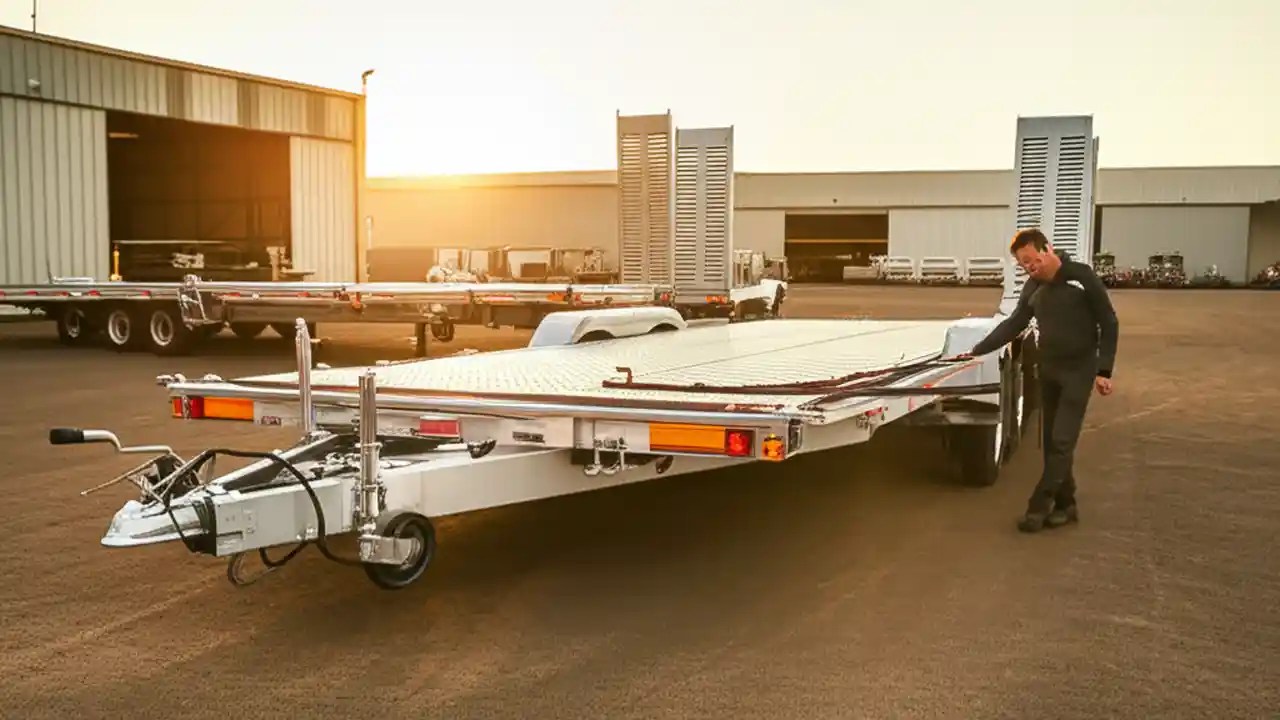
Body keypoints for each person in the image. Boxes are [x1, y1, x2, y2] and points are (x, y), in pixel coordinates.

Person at [954, 228, 1119, 533]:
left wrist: (1104, 370)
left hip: (1079, 371)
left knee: (1061, 441)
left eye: (1032, 260)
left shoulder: (1081, 277)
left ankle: (1038, 506)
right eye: (1023, 265)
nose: (1030, 267)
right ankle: (1067, 505)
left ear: (1047, 249)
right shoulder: (1033, 287)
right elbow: (1015, 322)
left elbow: (1109, 321)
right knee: (1053, 443)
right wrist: (978, 351)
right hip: (1049, 370)